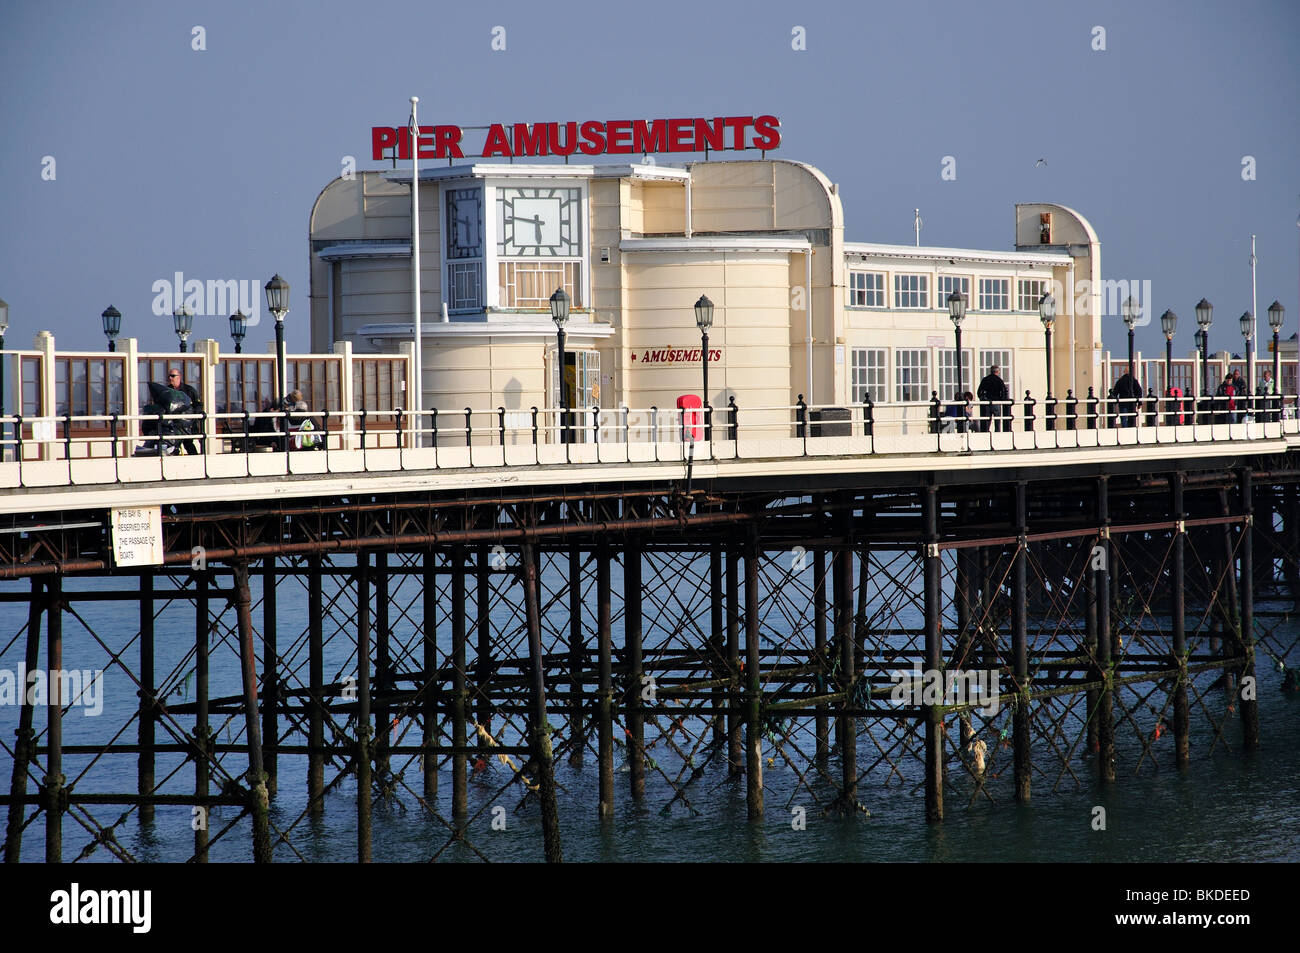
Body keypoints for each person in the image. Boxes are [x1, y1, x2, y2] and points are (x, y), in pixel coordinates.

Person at [166, 368, 202, 454]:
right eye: (169, 376)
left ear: (179, 377)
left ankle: (196, 462)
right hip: (172, 425)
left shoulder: (189, 390)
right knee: (172, 446)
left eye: (173, 376)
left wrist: (192, 419)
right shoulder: (167, 391)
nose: (170, 378)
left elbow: (198, 405)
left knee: (188, 444)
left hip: (187, 426)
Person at [976, 365, 1008, 433]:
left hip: (987, 402)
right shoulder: (999, 380)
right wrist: (1001, 399)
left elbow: (979, 391)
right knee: (997, 420)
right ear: (997, 371)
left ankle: (986, 432)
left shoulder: (985, 379)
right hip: (996, 402)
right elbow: (1004, 391)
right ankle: (997, 432)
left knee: (987, 420)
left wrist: (982, 399)